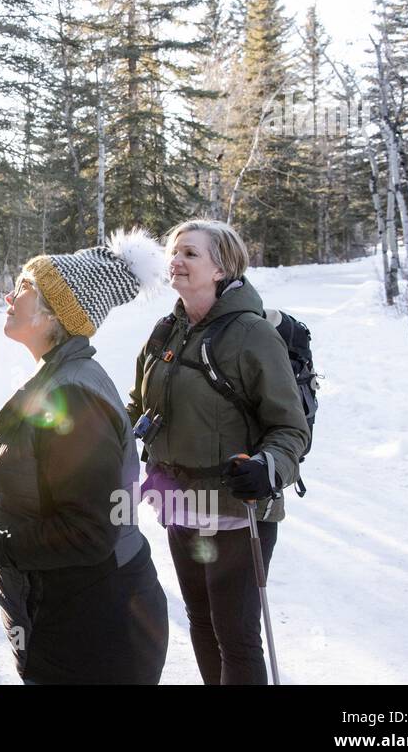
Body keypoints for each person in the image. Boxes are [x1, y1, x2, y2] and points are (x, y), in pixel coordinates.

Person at [0, 231, 169, 684]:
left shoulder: (75, 394)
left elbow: (89, 532)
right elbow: (45, 482)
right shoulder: (56, 376)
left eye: (23, 287)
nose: (9, 295)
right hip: (61, 610)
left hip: (95, 624)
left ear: (55, 313)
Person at [127, 219, 310, 685]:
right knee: (202, 622)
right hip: (178, 503)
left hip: (236, 510)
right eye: (174, 251)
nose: (177, 260)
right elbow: (136, 408)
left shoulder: (252, 335)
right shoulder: (165, 330)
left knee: (237, 636)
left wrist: (269, 466)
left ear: (221, 268)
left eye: (190, 253)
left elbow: (290, 427)